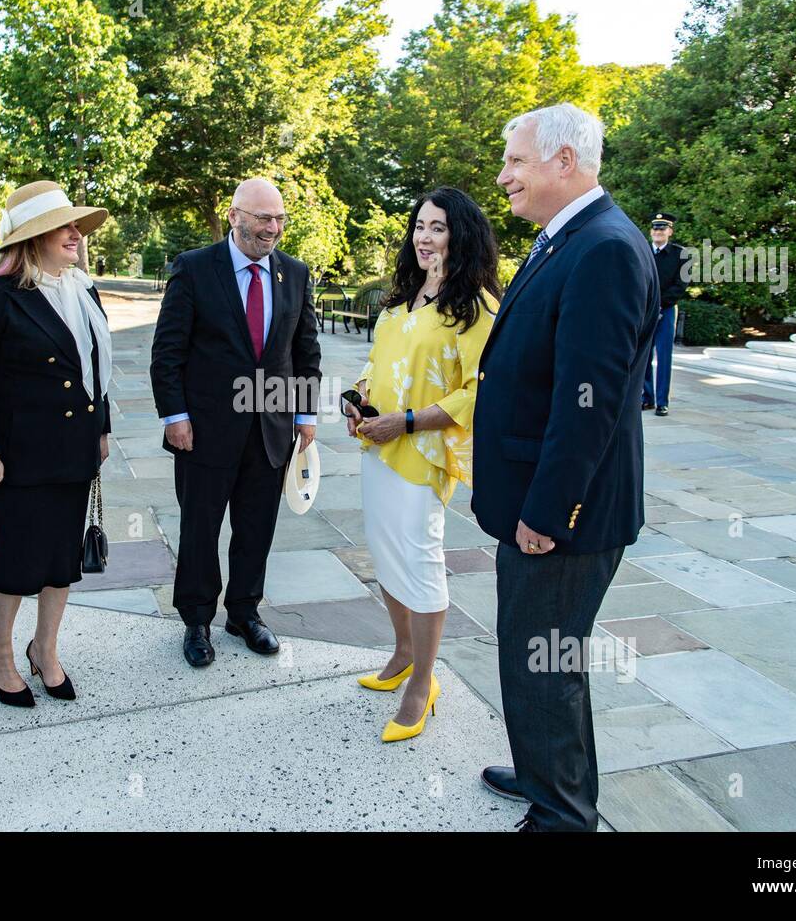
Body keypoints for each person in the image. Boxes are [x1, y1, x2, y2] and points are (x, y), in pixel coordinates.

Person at [472, 103, 658, 831]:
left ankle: (562, 817)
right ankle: (546, 772)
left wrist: (549, 515)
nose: (503, 174)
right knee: (536, 655)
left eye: (515, 160)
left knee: (544, 661)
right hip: (541, 501)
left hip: (564, 516)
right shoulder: (569, 238)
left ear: (564, 163)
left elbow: (591, 406)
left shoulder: (604, 247)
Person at [344, 187, 499, 743]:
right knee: (385, 554)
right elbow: (377, 362)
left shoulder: (475, 308)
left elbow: (480, 390)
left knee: (419, 559)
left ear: (461, 234)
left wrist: (406, 422)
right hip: (376, 446)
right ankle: (404, 653)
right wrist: (356, 398)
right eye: (419, 227)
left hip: (422, 454)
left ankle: (424, 682)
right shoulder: (401, 299)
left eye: (437, 227)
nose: (424, 237)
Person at [150, 178, 322, 668]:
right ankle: (197, 620)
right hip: (203, 431)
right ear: (234, 216)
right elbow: (167, 352)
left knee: (257, 527)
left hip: (271, 429)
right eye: (264, 218)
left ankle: (244, 613)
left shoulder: (295, 273)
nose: (273, 228)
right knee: (200, 527)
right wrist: (175, 416)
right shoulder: (195, 268)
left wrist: (306, 414)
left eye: (280, 219)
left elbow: (304, 351)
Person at [0, 181, 113, 707]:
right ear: (34, 237)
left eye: (75, 226)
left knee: (63, 560)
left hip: (75, 447)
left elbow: (95, 368)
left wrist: (103, 428)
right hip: (18, 456)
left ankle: (45, 650)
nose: (76, 234)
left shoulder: (82, 291)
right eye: (65, 227)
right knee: (20, 561)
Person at [641, 211, 689, 416]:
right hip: (644, 310)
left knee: (664, 357)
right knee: (643, 355)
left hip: (666, 310)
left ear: (670, 231)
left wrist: (660, 305)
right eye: (654, 228)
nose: (657, 232)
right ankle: (647, 397)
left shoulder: (682, 254)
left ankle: (662, 401)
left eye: (662, 228)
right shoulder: (642, 250)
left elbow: (681, 285)